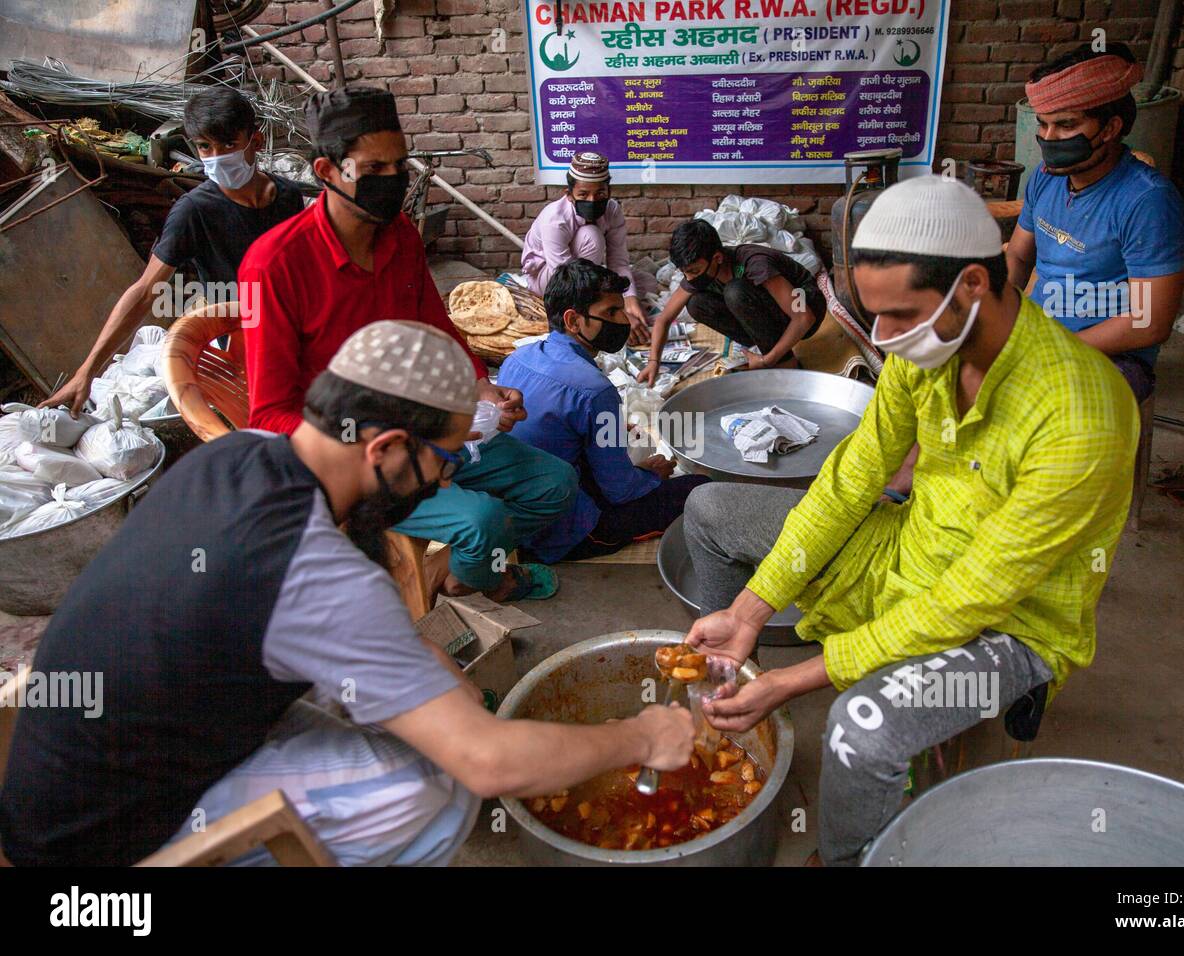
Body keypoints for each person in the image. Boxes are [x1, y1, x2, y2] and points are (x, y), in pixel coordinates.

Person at [0, 322, 694, 867]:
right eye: (446, 460)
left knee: (411, 721)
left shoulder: (233, 455)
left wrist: (430, 670)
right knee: (435, 785)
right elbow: (487, 764)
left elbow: (345, 623)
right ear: (388, 447)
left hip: (73, 777)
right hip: (105, 844)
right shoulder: (316, 569)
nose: (446, 478)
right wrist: (641, 734)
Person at [681, 176, 1138, 865]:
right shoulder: (923, 354)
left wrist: (804, 676)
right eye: (875, 316)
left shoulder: (1081, 416)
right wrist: (750, 610)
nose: (884, 340)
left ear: (974, 285)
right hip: (903, 550)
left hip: (1009, 624)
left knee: (860, 730)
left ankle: (849, 859)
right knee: (709, 508)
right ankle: (736, 690)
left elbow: (973, 596)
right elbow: (849, 483)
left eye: (901, 315)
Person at [239, 85, 576, 602]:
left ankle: (467, 574)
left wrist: (482, 385)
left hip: (430, 426)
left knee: (555, 483)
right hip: (359, 458)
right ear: (327, 171)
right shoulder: (273, 265)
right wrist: (377, 451)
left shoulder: (399, 236)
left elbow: (435, 326)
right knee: (483, 521)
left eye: (400, 166)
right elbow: (268, 416)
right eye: (373, 171)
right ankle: (489, 572)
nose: (393, 181)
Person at [40, 86, 304, 414]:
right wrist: (87, 372)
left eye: (229, 145)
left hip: (293, 330)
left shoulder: (289, 197)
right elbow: (146, 291)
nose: (216, 156)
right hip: (242, 344)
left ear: (257, 141)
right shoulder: (194, 211)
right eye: (205, 147)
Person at [1004, 43, 1184, 402]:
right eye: (1043, 124)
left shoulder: (1147, 201)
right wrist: (1004, 317)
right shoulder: (1047, 178)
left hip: (1112, 357)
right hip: (1039, 334)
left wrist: (1056, 350)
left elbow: (1149, 321)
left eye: (1066, 125)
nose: (1047, 138)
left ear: (1110, 128)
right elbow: (1017, 257)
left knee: (1033, 414)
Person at [498, 259, 710, 562]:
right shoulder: (595, 391)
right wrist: (649, 476)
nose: (624, 320)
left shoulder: (517, 358)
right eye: (611, 312)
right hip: (564, 530)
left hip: (515, 508)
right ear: (573, 321)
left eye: (621, 308)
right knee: (700, 490)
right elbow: (621, 491)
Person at [638, 219, 827, 384]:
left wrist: (767, 361)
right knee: (696, 303)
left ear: (717, 258)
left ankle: (786, 362)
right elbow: (664, 319)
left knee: (735, 292)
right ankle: (763, 346)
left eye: (694, 271)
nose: (689, 278)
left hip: (806, 306)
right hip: (773, 309)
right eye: (685, 272)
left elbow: (804, 318)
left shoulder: (756, 264)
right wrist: (653, 362)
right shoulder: (700, 273)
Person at [520, 151, 651, 344]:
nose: (592, 200)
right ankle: (589, 308)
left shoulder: (612, 210)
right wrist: (617, 314)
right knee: (591, 236)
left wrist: (630, 301)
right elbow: (565, 277)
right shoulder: (554, 219)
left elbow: (619, 262)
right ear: (569, 195)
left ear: (609, 192)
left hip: (582, 270)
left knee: (645, 285)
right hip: (549, 278)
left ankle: (597, 302)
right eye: (583, 194)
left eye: (600, 194)